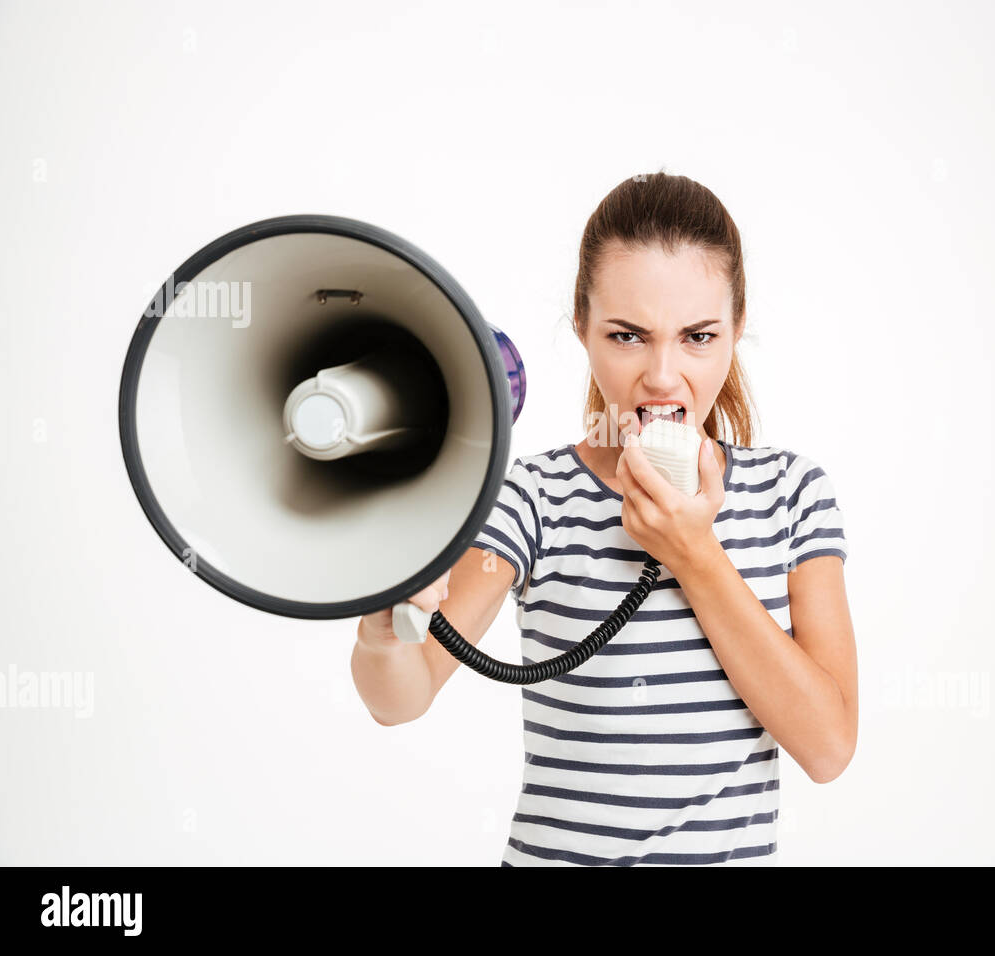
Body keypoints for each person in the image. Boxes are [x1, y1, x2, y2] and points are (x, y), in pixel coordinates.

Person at [351, 170, 857, 866]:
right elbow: (401, 698)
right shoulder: (532, 497)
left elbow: (828, 747)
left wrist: (691, 553)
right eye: (628, 336)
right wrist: (383, 635)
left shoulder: (793, 494)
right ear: (582, 329)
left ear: (737, 330)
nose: (661, 375)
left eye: (698, 337)